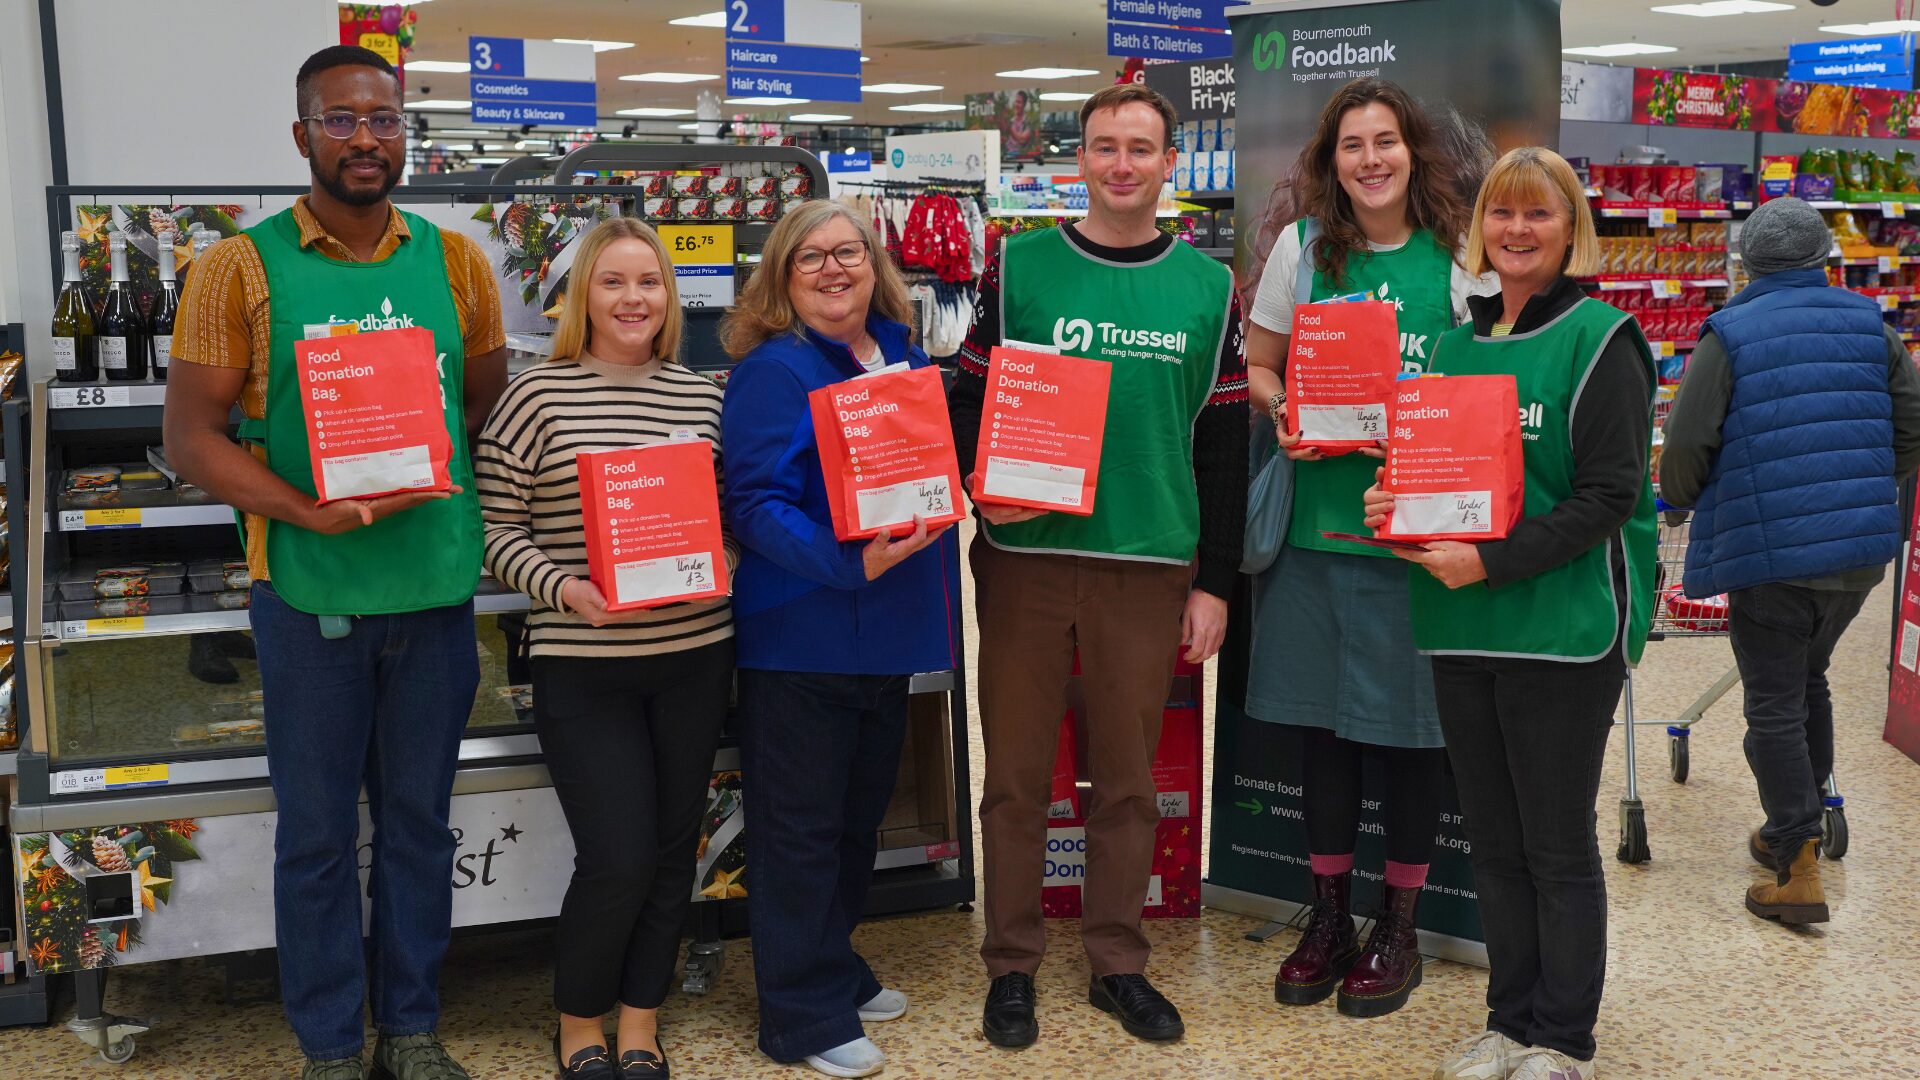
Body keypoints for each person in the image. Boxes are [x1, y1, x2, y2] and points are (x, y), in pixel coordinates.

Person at [162, 45, 506, 1080]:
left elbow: (477, 396)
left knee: (416, 826)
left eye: (386, 119)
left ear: (407, 131)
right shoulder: (238, 266)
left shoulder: (454, 260)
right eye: (343, 119)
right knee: (314, 837)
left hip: (433, 590)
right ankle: (326, 1043)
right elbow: (192, 438)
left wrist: (406, 461)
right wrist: (307, 510)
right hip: (307, 595)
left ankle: (410, 1028)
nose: (368, 138)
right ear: (302, 132)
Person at [948, 82, 1248, 1049]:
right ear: (1081, 159)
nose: (1123, 164)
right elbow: (967, 392)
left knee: (1127, 783)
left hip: (1146, 563)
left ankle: (1117, 962)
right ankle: (1012, 964)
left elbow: (1227, 443)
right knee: (1018, 781)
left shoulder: (1209, 288)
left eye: (1142, 148)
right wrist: (973, 483)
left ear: (1171, 165)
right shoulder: (1021, 265)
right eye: (1105, 146)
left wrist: (1215, 583)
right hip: (1026, 560)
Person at [1363, 146, 1656, 1080]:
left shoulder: (1604, 342)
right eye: (1502, 214)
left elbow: (1610, 495)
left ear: (1572, 229)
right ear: (1478, 228)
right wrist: (1393, 505)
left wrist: (1485, 561)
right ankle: (1508, 1020)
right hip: (1462, 629)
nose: (1517, 232)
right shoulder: (1453, 346)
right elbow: (1439, 484)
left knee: (1556, 843)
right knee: (1494, 842)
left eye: (1538, 215)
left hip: (1561, 632)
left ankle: (1563, 1039)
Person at [1243, 77, 1491, 1018]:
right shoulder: (1303, 254)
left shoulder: (1460, 259)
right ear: (1330, 160)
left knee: (1412, 742)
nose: (1371, 159)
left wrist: (1436, 444)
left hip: (1419, 547)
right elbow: (1260, 365)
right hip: (1315, 535)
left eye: (1386, 141)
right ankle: (1327, 916)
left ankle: (1399, 924)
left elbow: (1487, 388)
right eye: (1353, 145)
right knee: (1323, 735)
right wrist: (1284, 413)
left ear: (1412, 151)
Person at [475, 217, 736, 1079]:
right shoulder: (537, 397)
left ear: (671, 298)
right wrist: (564, 588)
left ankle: (640, 1022)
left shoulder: (702, 398)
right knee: (617, 855)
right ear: (579, 295)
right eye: (613, 282)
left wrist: (724, 554)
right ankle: (578, 1021)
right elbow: (492, 526)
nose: (634, 299)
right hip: (584, 666)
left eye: (650, 282)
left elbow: (730, 516)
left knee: (671, 852)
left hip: (695, 655)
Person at [719, 199, 960, 1079]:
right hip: (804, 633)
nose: (833, 269)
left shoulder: (898, 352)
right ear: (782, 277)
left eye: (848, 253)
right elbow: (751, 506)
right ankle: (799, 1015)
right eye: (810, 257)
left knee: (858, 823)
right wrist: (843, 564)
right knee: (801, 833)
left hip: (886, 634)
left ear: (874, 264)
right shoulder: (771, 372)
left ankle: (834, 963)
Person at [1659, 196, 1920, 926]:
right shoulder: (1873, 324)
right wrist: (1871, 486)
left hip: (1769, 556)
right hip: (1858, 557)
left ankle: (1797, 864)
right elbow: (1914, 422)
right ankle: (1792, 827)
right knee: (1810, 681)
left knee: (1772, 701)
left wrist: (1676, 501)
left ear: (1745, 266)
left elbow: (1685, 443)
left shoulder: (1731, 331)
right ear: (1824, 259)